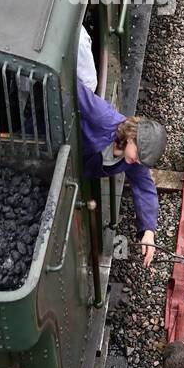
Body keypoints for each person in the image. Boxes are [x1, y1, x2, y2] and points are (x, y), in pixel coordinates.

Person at [76, 79, 164, 266]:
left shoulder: (133, 162)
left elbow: (145, 188)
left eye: (141, 160)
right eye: (138, 155)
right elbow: (72, 87)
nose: (138, 161)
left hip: (75, 168)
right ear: (131, 137)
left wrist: (149, 230)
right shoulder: (102, 117)